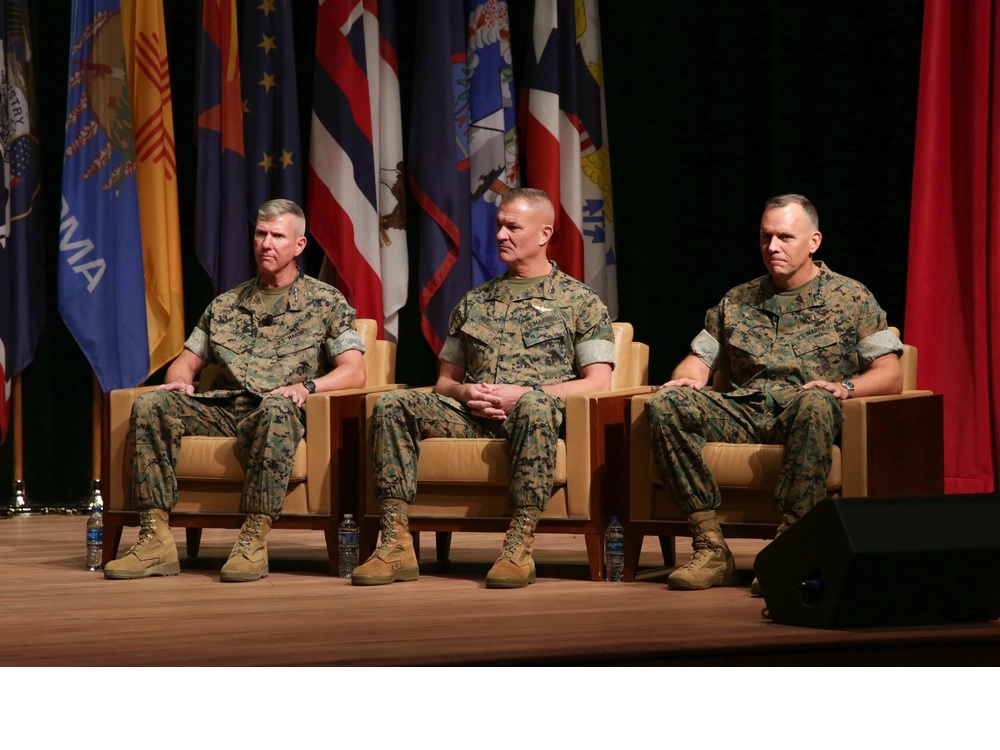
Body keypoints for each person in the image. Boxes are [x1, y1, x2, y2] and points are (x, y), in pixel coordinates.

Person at [353, 187, 615, 589]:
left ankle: (519, 546)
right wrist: (465, 394)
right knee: (391, 403)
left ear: (544, 234)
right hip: (472, 417)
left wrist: (526, 393)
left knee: (536, 407)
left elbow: (598, 382)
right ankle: (395, 544)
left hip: (534, 419)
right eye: (498, 226)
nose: (500, 235)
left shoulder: (581, 302)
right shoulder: (474, 302)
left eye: (513, 227)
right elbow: (445, 381)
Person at [645, 193, 904, 593]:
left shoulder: (852, 298)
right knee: (667, 402)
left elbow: (891, 374)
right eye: (766, 237)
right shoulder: (737, 300)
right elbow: (699, 360)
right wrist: (689, 378)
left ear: (814, 241)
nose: (772, 247)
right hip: (745, 411)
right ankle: (710, 546)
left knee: (816, 402)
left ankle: (790, 550)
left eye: (785, 237)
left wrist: (845, 387)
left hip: (804, 412)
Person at [104, 199, 367, 583]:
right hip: (225, 408)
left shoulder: (326, 302)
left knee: (277, 410)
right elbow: (186, 361)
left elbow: (355, 372)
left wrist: (306, 386)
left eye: (277, 236)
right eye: (261, 234)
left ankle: (252, 540)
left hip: (279, 411)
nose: (266, 243)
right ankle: (154, 539)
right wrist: (181, 380)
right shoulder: (226, 304)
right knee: (153, 403)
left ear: (299, 245)